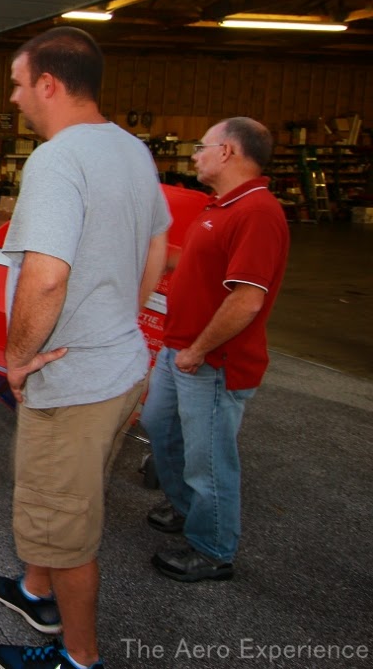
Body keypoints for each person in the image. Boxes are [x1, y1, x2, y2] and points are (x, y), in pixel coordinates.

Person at [0, 27, 170, 669]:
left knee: (66, 530)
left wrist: (13, 361)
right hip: (121, 367)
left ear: (48, 84)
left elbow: (46, 275)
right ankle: (35, 592)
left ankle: (79, 658)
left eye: (16, 84)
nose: (12, 98)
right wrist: (120, 315)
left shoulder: (58, 159)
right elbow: (157, 246)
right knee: (62, 499)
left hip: (74, 383)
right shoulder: (131, 150)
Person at [141, 117, 288, 583]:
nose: (195, 155)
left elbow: (246, 299)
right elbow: (194, 260)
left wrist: (198, 350)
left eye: (202, 147)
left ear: (227, 151)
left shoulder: (258, 213)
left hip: (210, 360)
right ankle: (186, 509)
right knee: (159, 426)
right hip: (181, 348)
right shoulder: (220, 206)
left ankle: (212, 549)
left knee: (209, 461)